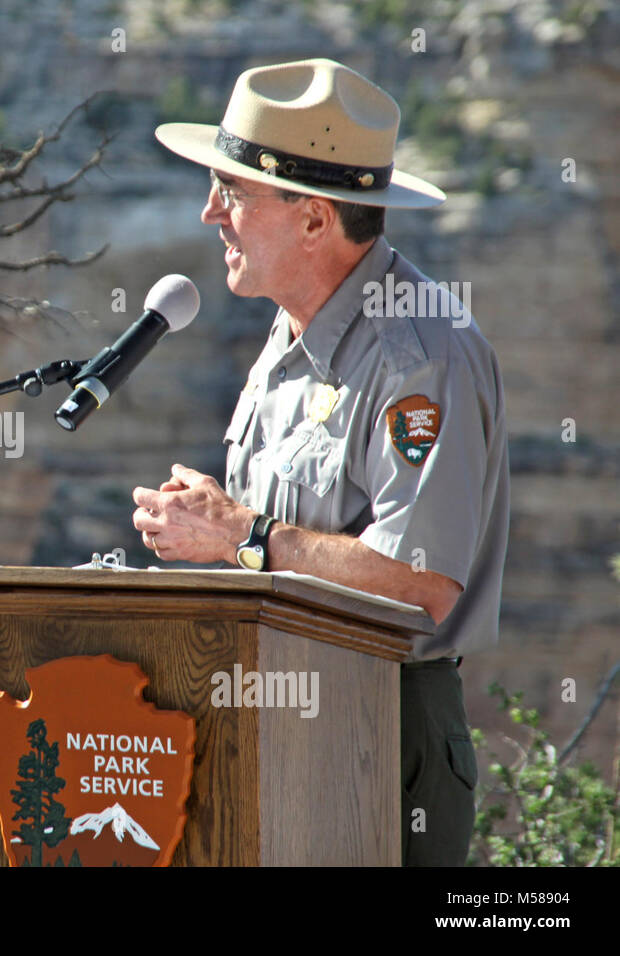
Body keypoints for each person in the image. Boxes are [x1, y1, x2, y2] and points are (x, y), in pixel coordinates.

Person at [132, 58, 509, 866]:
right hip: (266, 716)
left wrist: (242, 534)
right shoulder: (290, 329)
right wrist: (215, 521)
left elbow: (420, 582)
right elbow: (279, 536)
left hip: (376, 728)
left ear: (312, 220)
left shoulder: (421, 353)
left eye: (232, 193)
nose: (209, 214)